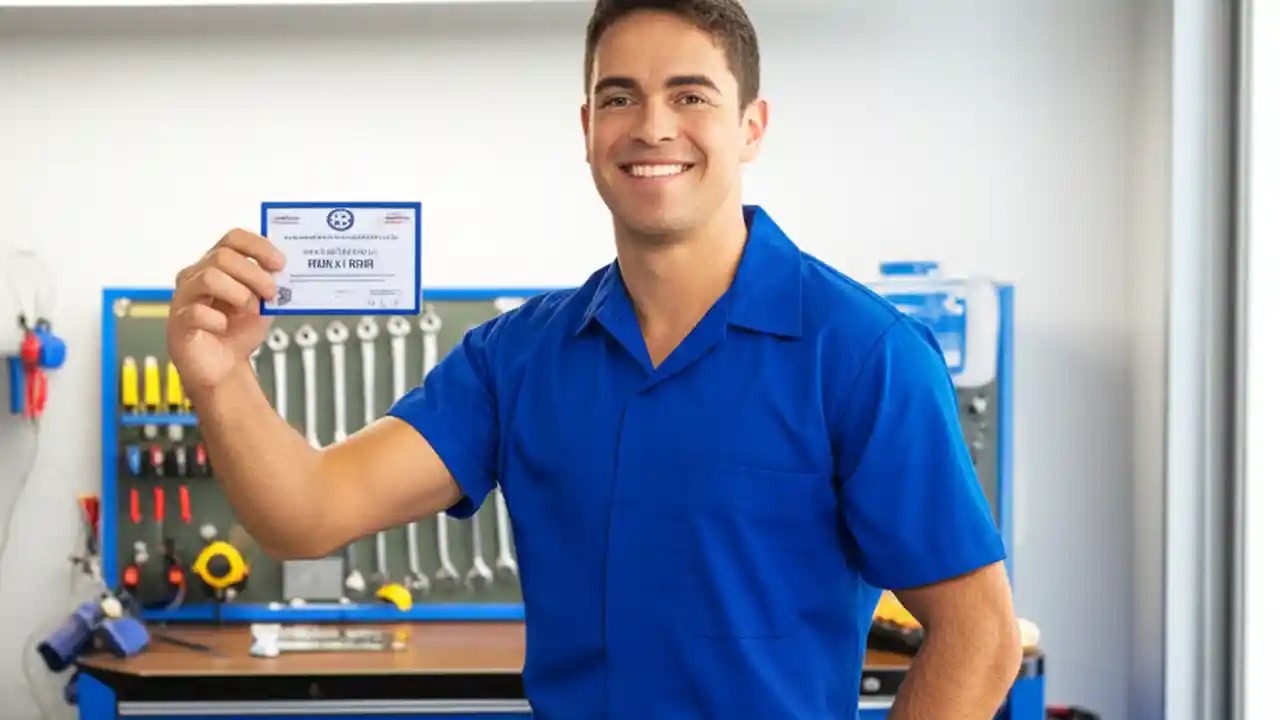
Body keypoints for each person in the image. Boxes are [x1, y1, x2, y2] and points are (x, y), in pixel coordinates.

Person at [166, 0, 1023, 717]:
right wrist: (218, 378)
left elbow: (978, 635)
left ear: (751, 127)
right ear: (587, 128)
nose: (653, 126)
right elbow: (307, 511)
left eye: (691, 96)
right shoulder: (518, 359)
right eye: (621, 97)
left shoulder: (864, 354)